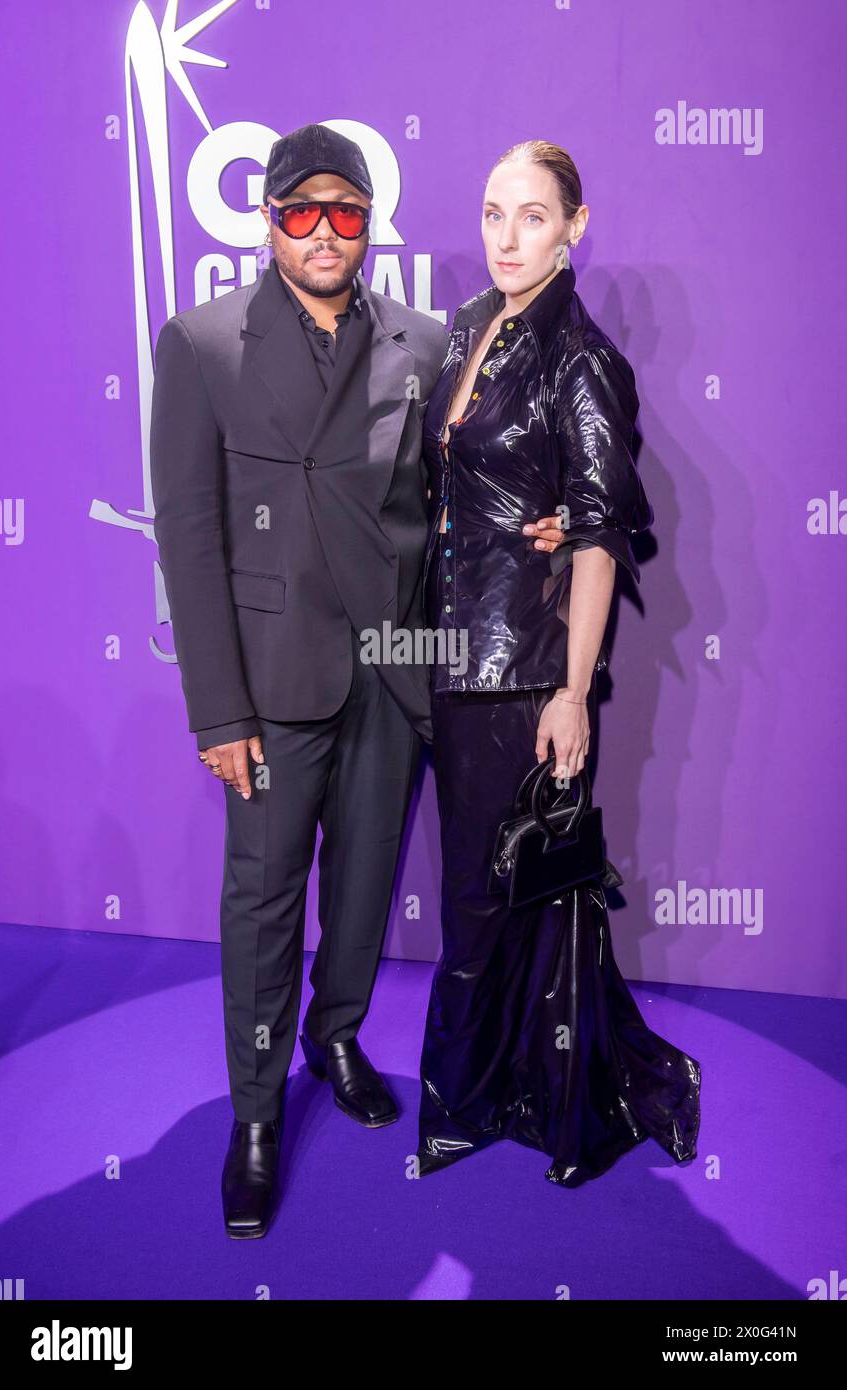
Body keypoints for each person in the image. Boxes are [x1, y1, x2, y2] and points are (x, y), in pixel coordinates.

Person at [149, 124, 450, 1238]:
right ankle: (258, 1114)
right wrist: (217, 708)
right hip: (271, 685)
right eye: (300, 210)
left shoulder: (422, 343)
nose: (324, 230)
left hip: (391, 676)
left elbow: (444, 511)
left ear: (368, 223)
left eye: (345, 210)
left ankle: (338, 1031)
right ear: (266, 220)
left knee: (365, 887)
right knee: (263, 903)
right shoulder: (204, 341)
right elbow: (187, 538)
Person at [416, 139, 701, 1186]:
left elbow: (594, 535)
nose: (505, 236)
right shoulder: (463, 329)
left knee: (487, 896)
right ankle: (495, 1082)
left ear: (574, 225)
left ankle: (465, 1098)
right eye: (492, 212)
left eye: (531, 215)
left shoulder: (579, 359)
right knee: (486, 890)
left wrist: (572, 691)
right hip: (442, 652)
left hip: (518, 669)